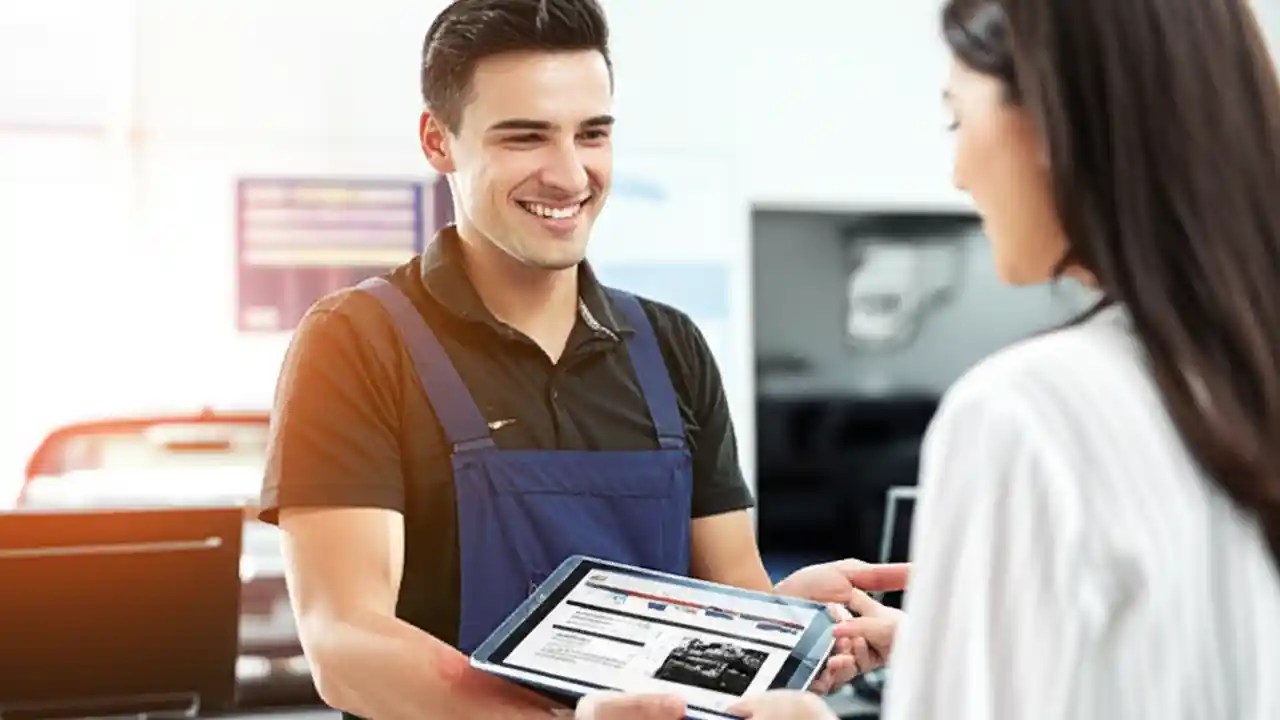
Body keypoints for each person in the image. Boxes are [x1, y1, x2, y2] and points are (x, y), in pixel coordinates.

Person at [579, 0, 1280, 717]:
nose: (958, 173)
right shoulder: (1240, 386)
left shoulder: (1026, 411)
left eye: (957, 120)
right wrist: (939, 646)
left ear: (1050, 121)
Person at [258, 2, 898, 719]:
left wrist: (791, 632)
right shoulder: (358, 342)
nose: (569, 175)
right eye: (526, 137)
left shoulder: (672, 347)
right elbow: (345, 643)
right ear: (438, 140)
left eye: (591, 134)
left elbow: (729, 601)